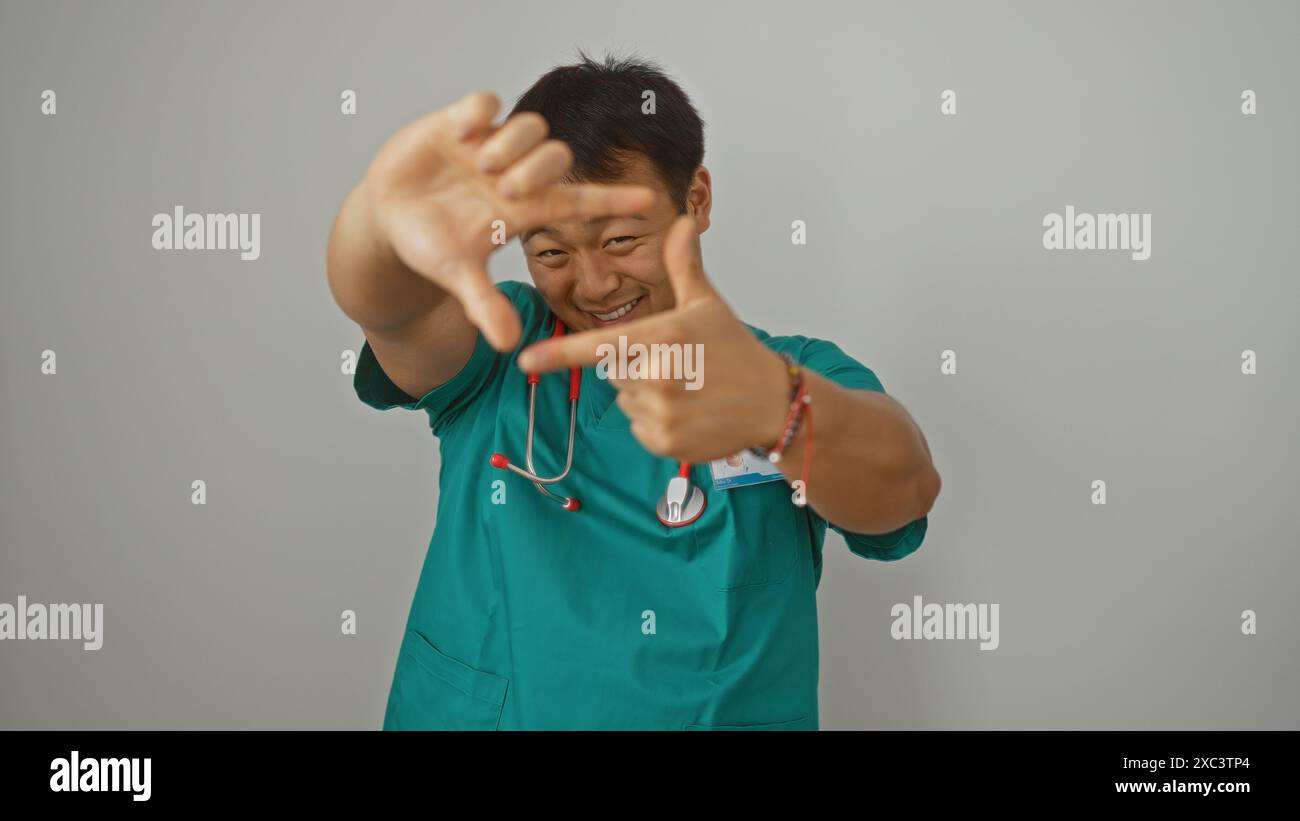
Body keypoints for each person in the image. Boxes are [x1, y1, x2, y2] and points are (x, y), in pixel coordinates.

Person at [326, 53, 941, 730]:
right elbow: (390, 308)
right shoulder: (504, 346)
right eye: (551, 252)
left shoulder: (786, 369)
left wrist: (779, 406)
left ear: (696, 199)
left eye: (620, 239)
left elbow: (904, 488)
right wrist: (377, 229)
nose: (591, 285)